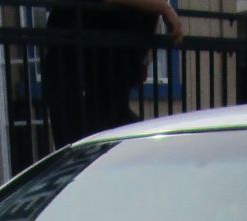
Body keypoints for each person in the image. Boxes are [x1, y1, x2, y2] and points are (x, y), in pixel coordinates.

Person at [41, 0, 184, 149]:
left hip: (108, 72)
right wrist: (164, 8)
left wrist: (143, 60)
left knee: (118, 137)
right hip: (78, 65)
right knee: (84, 143)